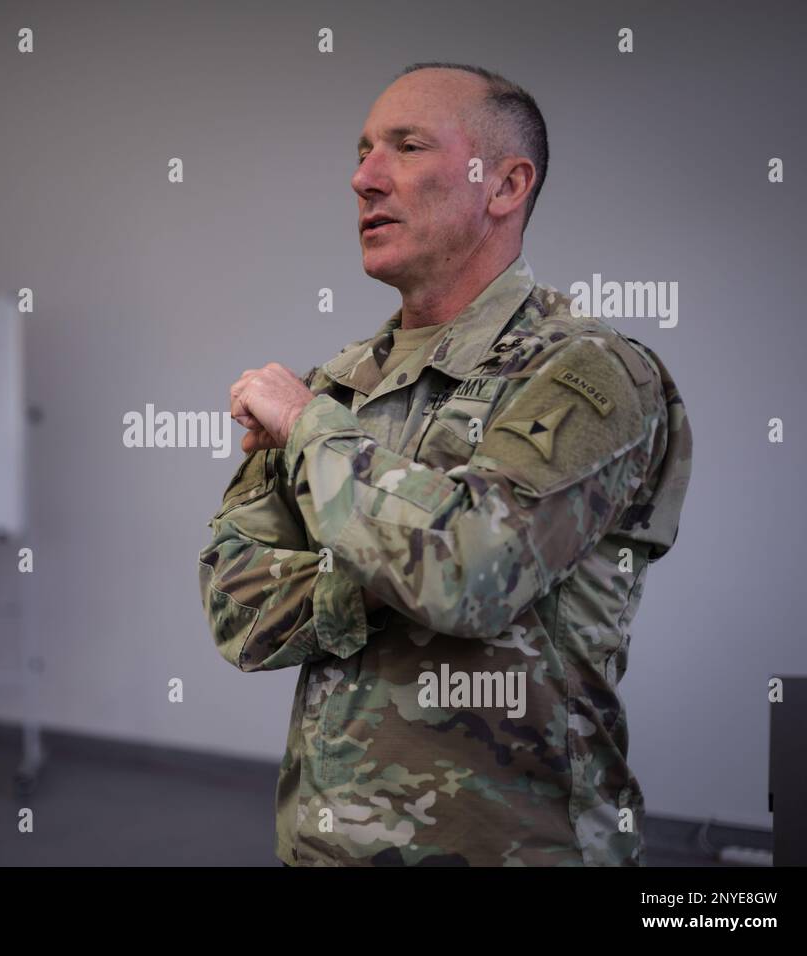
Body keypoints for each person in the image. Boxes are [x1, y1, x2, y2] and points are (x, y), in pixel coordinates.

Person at [197, 63, 692, 866]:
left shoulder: (589, 372)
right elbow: (235, 607)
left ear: (504, 186)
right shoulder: (339, 382)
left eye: (407, 145)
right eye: (362, 151)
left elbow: (466, 573)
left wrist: (317, 444)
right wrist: (395, 550)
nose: (363, 178)